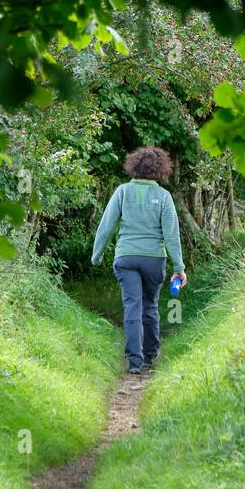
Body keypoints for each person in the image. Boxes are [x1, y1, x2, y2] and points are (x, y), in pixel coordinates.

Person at [91, 145, 187, 375]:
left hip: (126, 257)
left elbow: (106, 226)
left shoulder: (123, 191)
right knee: (150, 306)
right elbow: (171, 235)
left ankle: (134, 361)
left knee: (132, 307)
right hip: (154, 259)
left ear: (133, 167)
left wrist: (97, 256)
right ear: (160, 170)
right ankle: (150, 356)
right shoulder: (163, 196)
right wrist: (179, 267)